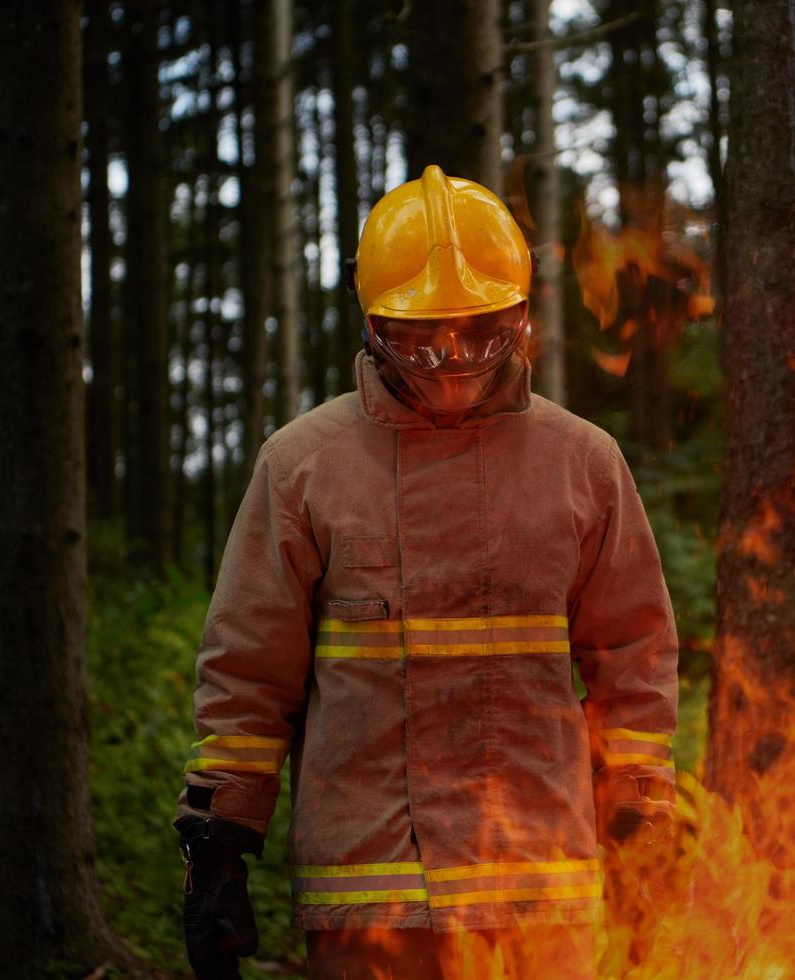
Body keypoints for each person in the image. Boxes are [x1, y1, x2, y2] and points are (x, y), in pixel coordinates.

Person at [173, 165, 678, 980]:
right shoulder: (304, 466)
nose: (450, 363)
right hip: (371, 898)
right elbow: (249, 670)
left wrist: (641, 812)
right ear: (373, 326)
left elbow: (634, 657)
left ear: (519, 319)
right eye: (421, 340)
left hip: (536, 896)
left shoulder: (583, 464)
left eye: (477, 335)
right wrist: (218, 842)